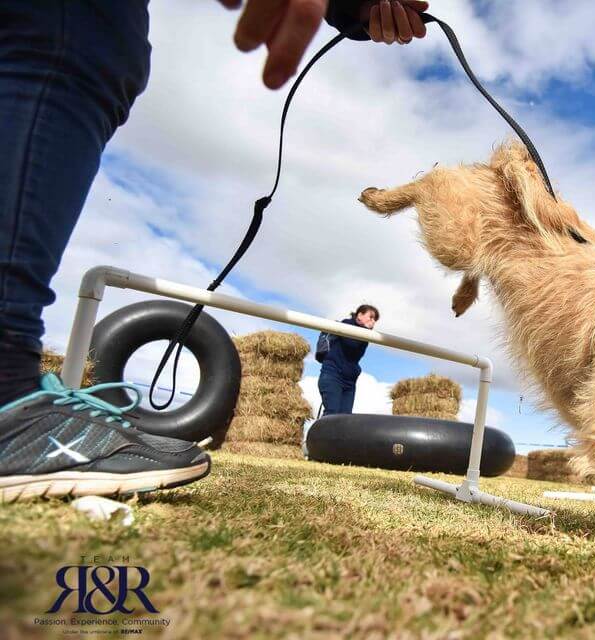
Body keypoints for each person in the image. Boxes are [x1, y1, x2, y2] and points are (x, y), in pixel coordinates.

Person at [0, 0, 427, 502]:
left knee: (88, 39)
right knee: (74, 36)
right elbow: (328, 347)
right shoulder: (344, 328)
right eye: (368, 315)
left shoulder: (363, 338)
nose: (371, 319)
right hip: (336, 376)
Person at [319, 304, 379, 415]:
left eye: (375, 319)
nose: (373, 321)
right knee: (332, 413)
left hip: (349, 381)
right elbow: (351, 344)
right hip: (333, 375)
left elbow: (357, 355)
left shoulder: (365, 335)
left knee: (345, 418)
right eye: (371, 317)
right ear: (359, 315)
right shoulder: (347, 324)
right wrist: (365, 330)